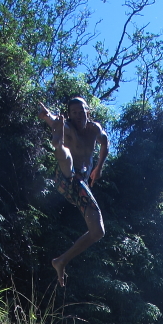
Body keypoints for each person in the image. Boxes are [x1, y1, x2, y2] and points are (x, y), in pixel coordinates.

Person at [38, 96, 109, 286]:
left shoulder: (95, 129)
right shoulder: (68, 127)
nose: (78, 115)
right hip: (65, 179)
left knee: (98, 231)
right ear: (69, 115)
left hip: (80, 186)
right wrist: (48, 118)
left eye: (81, 111)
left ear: (88, 111)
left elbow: (105, 142)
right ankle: (58, 143)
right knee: (66, 158)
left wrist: (99, 168)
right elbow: (54, 119)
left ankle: (61, 261)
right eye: (74, 113)